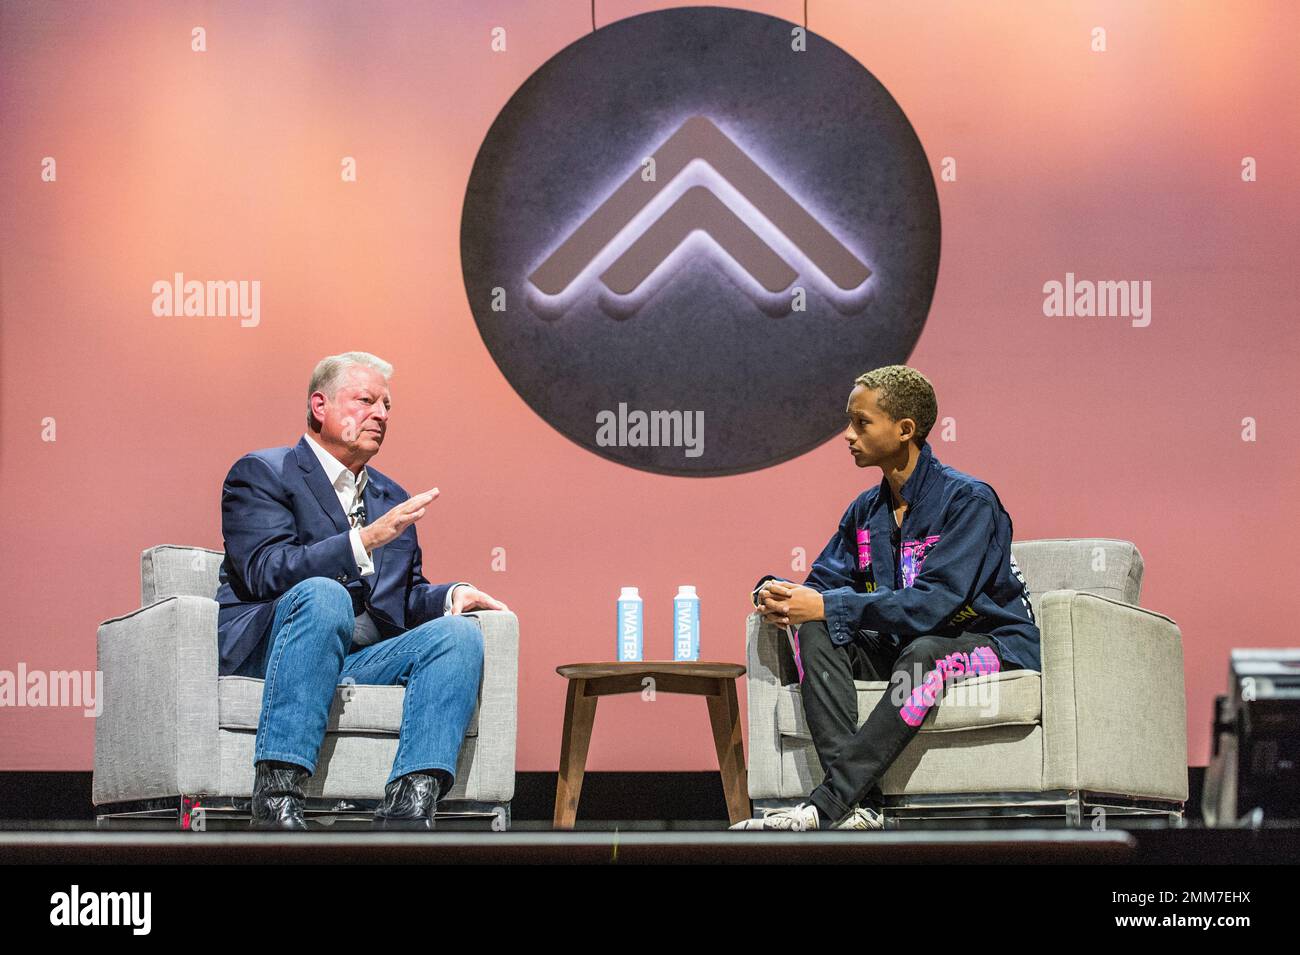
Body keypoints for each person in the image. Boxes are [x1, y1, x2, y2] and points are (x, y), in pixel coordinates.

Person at [731, 365, 1040, 831]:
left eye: (861, 422)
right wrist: (777, 591)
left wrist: (828, 604)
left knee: (924, 654)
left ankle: (828, 803)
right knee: (817, 627)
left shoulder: (969, 502)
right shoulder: (865, 511)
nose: (848, 435)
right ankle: (859, 808)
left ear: (904, 429)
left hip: (990, 644)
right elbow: (822, 585)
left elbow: (934, 604)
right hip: (901, 645)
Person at [215, 351, 509, 831]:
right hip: (276, 644)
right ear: (320, 406)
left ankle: (410, 807)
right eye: (366, 401)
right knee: (324, 596)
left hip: (356, 654)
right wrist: (362, 541)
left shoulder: (391, 498)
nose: (381, 415)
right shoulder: (265, 472)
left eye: (387, 406)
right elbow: (264, 571)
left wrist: (451, 596)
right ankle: (277, 798)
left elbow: (403, 598)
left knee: (459, 636)